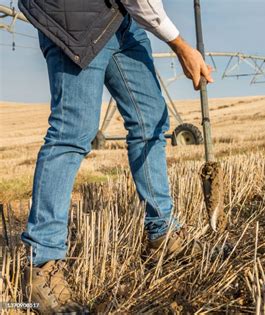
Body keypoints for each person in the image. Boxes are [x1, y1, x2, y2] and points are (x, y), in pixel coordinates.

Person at [18, 0, 213, 312]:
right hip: (75, 14)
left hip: (120, 17)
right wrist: (180, 44)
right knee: (72, 132)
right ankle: (42, 263)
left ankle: (161, 232)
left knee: (150, 120)